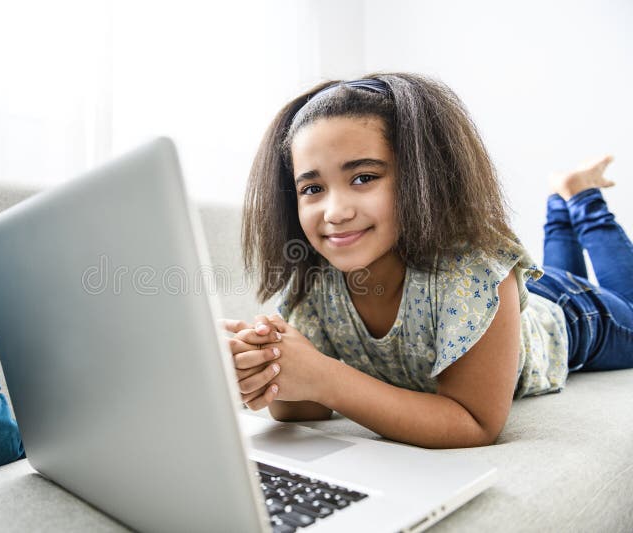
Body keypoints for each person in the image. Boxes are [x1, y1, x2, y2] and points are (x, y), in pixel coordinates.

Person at [222, 72, 633, 449]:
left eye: (363, 178)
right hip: (514, 302)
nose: (335, 211)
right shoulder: (316, 280)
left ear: (420, 177)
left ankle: (582, 200)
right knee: (560, 269)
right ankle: (562, 200)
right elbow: (305, 409)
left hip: (570, 315)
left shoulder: (473, 270)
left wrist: (326, 377)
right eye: (312, 188)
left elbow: (475, 423)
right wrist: (269, 360)